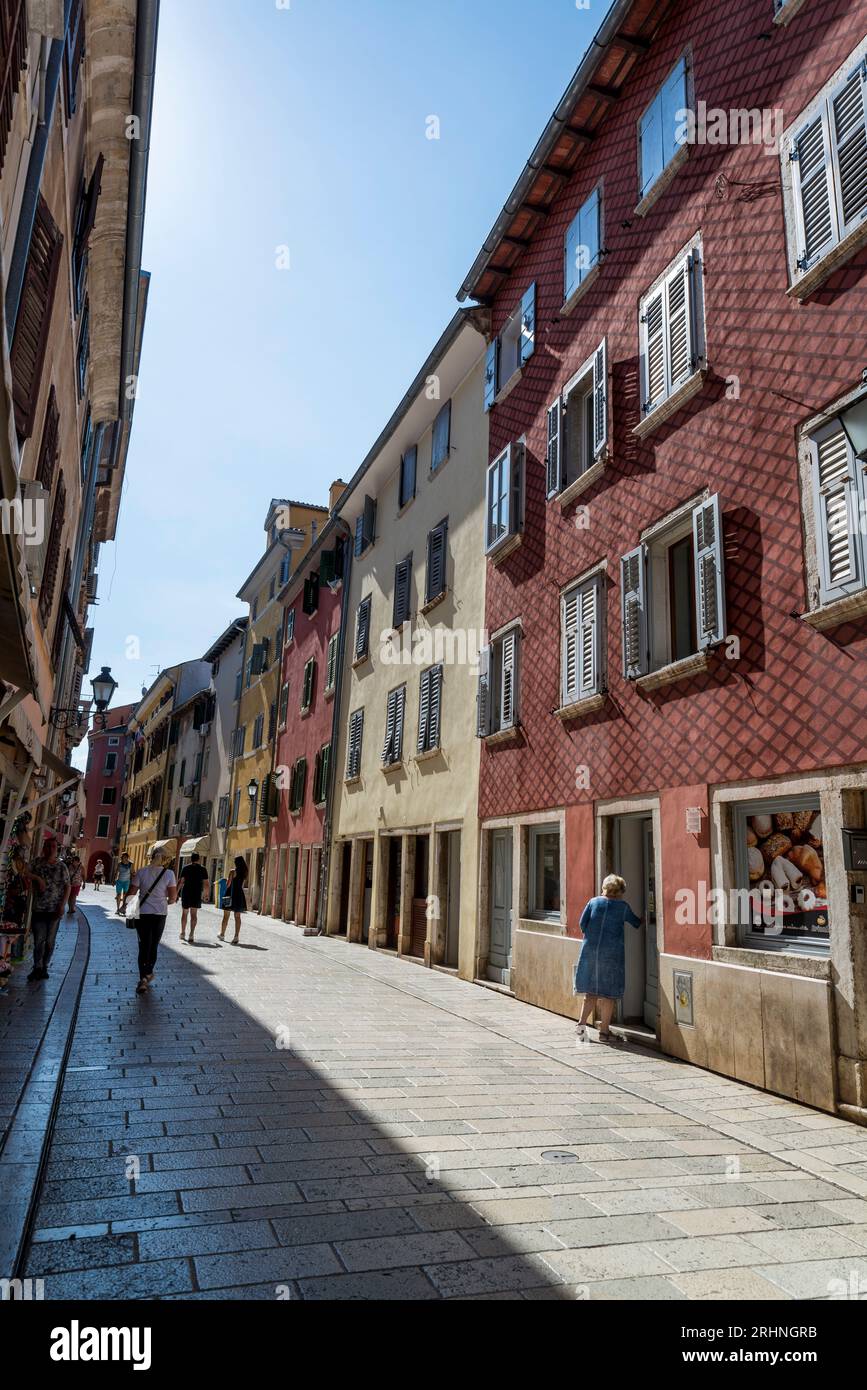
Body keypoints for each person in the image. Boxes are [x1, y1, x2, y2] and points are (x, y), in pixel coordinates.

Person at [574, 874, 642, 1044]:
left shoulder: (593, 902)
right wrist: (646, 917)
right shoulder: (622, 907)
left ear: (605, 887)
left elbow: (582, 924)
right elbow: (636, 923)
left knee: (591, 991)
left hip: (590, 951)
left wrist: (593, 934)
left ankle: (581, 1027)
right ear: (620, 891)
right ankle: (604, 1033)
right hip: (611, 954)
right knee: (609, 994)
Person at [129, 848, 177, 995]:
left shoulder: (141, 872)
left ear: (151, 857)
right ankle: (147, 974)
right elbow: (173, 898)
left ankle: (143, 978)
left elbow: (131, 893)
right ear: (165, 859)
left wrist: (128, 907)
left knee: (143, 945)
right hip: (159, 914)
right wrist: (163, 901)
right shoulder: (169, 874)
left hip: (143, 913)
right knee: (153, 945)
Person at [27, 834, 70, 981]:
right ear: (43, 848)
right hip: (38, 908)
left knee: (50, 942)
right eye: (48, 846)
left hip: (54, 910)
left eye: (53, 846)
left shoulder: (61, 866)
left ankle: (45, 966)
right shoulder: (36, 863)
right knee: (38, 940)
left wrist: (63, 905)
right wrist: (37, 878)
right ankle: (37, 967)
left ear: (57, 849)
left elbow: (68, 887)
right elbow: (24, 871)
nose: (51, 849)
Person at [178, 853, 210, 943]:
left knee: (184, 913)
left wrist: (176, 893)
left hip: (186, 892)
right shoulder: (203, 869)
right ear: (199, 859)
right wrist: (206, 895)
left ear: (191, 859)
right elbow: (206, 884)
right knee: (194, 914)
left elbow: (181, 882)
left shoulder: (185, 868)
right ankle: (191, 934)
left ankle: (183, 933)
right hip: (196, 893)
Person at [219, 857, 248, 944]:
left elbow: (228, 884)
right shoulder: (244, 872)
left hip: (230, 894)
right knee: (237, 917)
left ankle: (222, 934)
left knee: (226, 916)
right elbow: (241, 884)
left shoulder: (232, 871)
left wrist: (228, 880)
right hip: (239, 895)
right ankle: (236, 936)